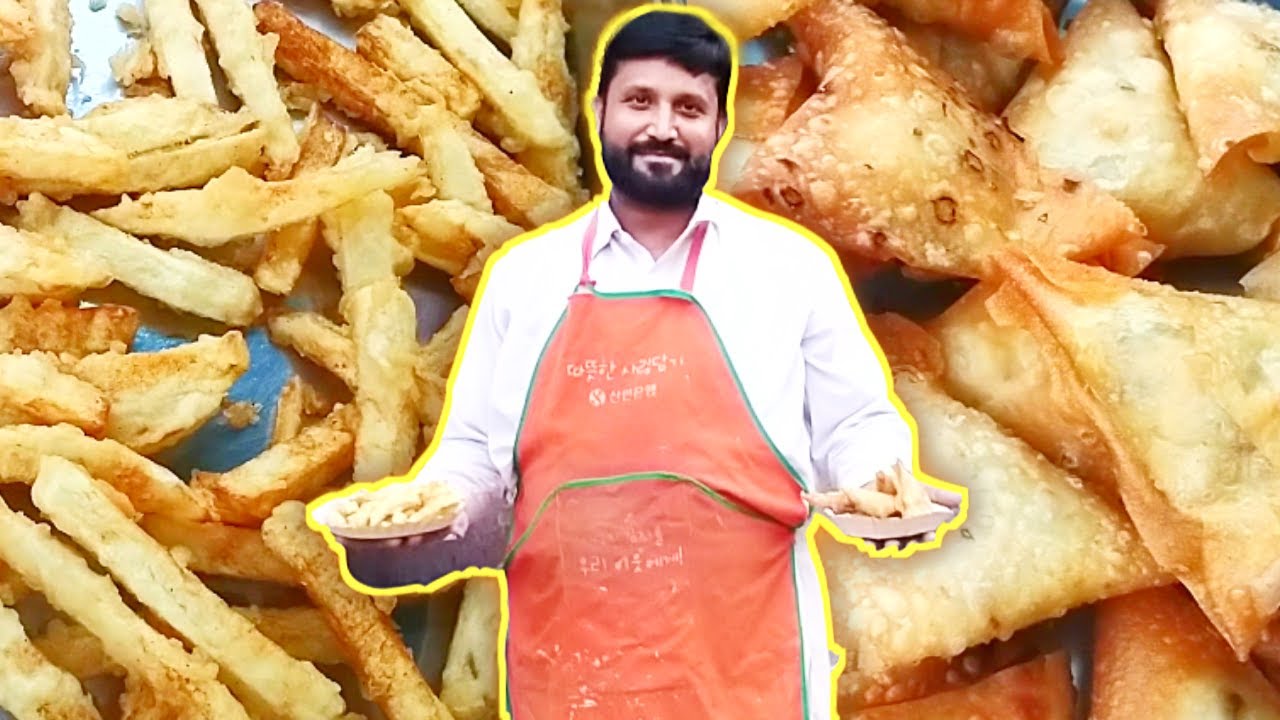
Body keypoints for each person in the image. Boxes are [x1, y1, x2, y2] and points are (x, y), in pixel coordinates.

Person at [332, 5, 958, 719]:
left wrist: (882, 490)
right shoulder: (526, 276)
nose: (663, 125)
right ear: (600, 112)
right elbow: (477, 460)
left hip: (748, 669)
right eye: (640, 101)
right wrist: (420, 533)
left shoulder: (789, 267)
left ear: (718, 128)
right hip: (569, 670)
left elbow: (855, 425)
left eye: (688, 107)